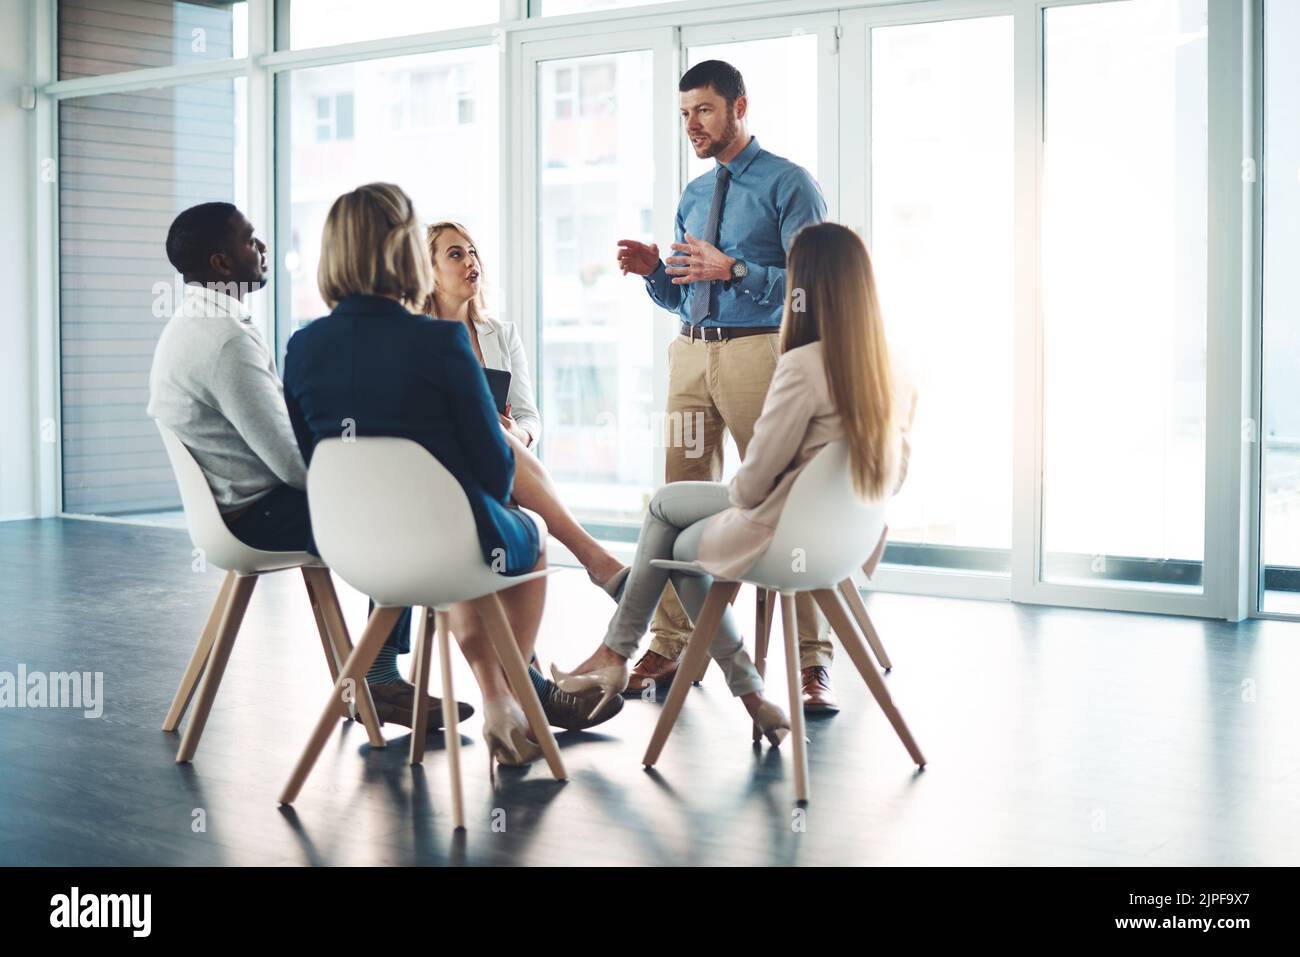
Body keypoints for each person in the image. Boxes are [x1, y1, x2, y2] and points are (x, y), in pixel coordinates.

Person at [281, 184, 618, 768]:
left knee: (462, 537)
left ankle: (508, 698)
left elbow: (315, 460)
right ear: (404, 253)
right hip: (444, 544)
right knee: (524, 532)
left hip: (355, 550)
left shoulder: (303, 347)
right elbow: (494, 468)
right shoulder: (436, 342)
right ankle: (514, 695)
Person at [556, 222, 906, 736]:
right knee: (674, 521)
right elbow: (892, 477)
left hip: (784, 537)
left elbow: (747, 489)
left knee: (671, 530)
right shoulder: (890, 370)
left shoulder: (800, 367)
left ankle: (636, 658)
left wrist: (777, 489)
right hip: (846, 545)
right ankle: (638, 657)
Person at [146, 201, 467, 732]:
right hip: (258, 514)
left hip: (238, 508)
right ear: (223, 264)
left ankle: (377, 678)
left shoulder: (198, 322)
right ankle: (384, 678)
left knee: (395, 498)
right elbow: (294, 467)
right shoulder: (225, 339)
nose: (263, 247)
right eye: (250, 240)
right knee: (408, 515)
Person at [614, 60, 840, 711]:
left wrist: (736, 266)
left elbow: (811, 286)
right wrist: (658, 272)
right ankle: (670, 642)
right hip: (691, 357)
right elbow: (687, 293)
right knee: (676, 497)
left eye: (704, 110)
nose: (692, 125)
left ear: (740, 105)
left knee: (786, 502)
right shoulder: (691, 193)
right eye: (685, 113)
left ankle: (811, 662)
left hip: (760, 357)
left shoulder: (789, 184)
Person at [423, 221, 629, 600]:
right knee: (491, 444)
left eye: (472, 252)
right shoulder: (417, 339)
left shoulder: (502, 334)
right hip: (443, 469)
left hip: (498, 461)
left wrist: (519, 433)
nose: (471, 262)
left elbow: (530, 415)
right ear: (429, 272)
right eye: (455, 254)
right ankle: (594, 559)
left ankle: (519, 654)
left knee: (498, 444)